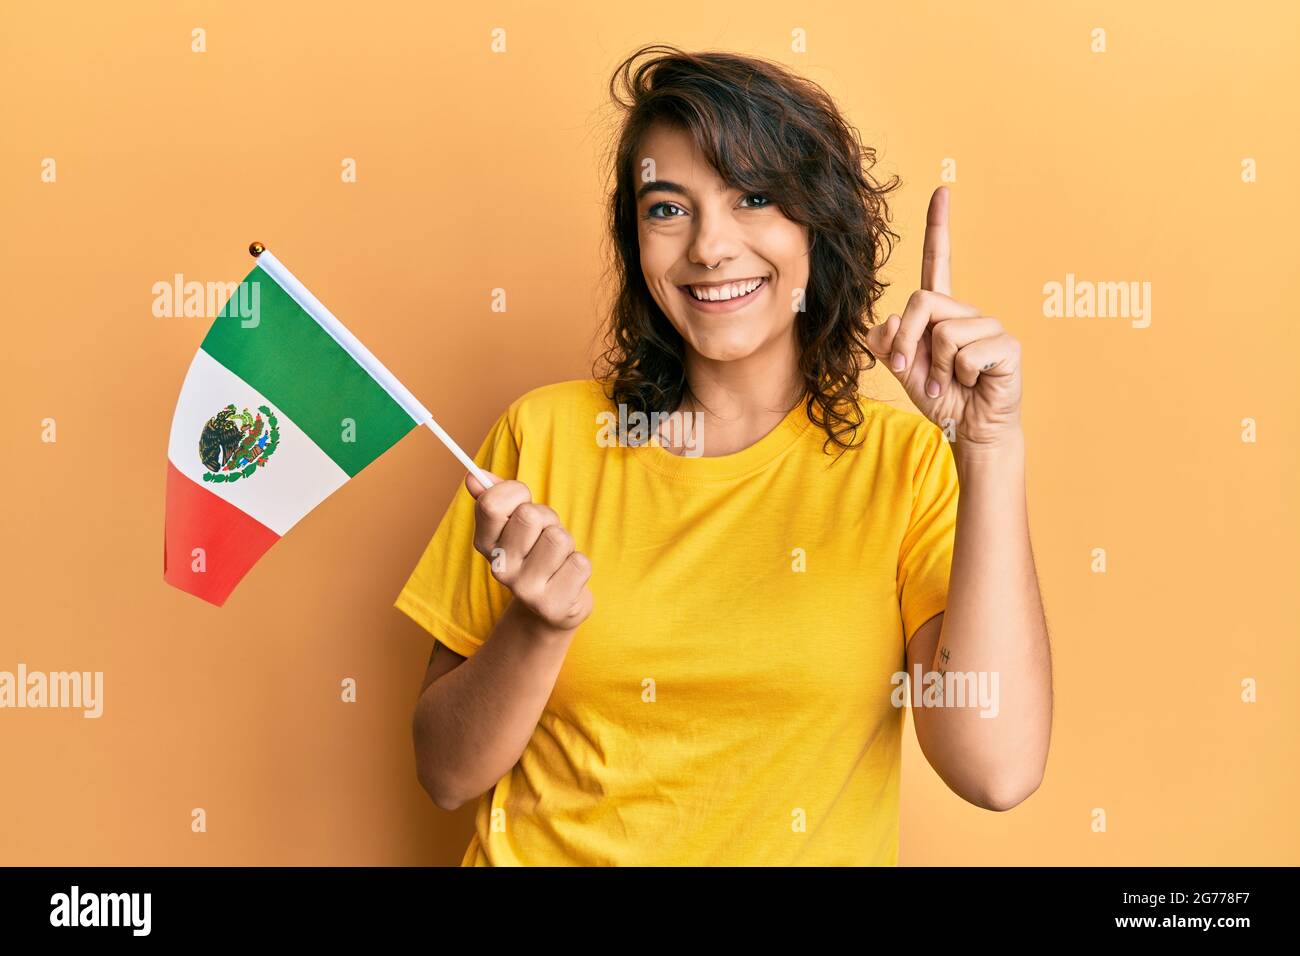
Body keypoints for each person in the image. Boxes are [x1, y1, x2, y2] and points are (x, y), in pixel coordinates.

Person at [396, 44, 1052, 866]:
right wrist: (538, 626)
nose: (708, 247)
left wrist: (987, 446)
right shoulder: (545, 436)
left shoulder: (906, 464)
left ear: (819, 223)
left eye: (754, 198)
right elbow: (445, 774)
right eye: (667, 209)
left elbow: (996, 769)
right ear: (636, 240)